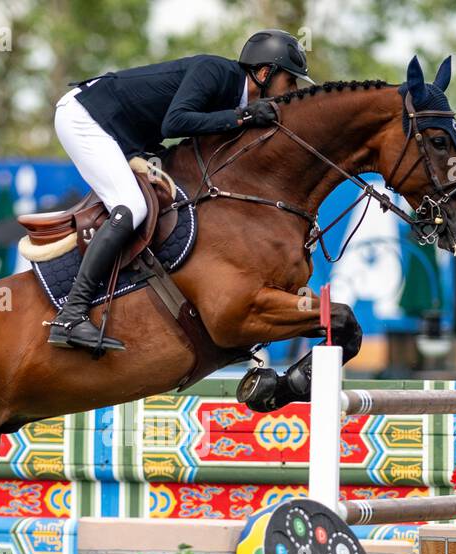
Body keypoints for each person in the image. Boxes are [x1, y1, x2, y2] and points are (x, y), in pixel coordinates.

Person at [46, 30, 313, 352]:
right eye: (291, 80)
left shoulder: (235, 96)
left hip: (122, 132)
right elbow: (175, 123)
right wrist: (242, 116)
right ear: (264, 72)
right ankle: (70, 315)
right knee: (132, 206)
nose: (293, 90)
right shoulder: (215, 72)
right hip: (86, 118)